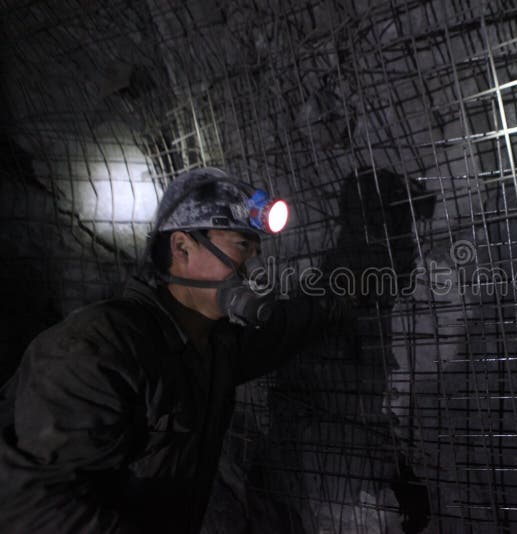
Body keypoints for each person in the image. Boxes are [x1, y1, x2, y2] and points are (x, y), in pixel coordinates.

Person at [0, 167, 338, 533]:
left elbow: (282, 332)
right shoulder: (98, 347)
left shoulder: (216, 345)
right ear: (182, 248)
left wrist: (342, 298)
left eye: (257, 252)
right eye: (242, 247)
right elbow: (30, 505)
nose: (255, 270)